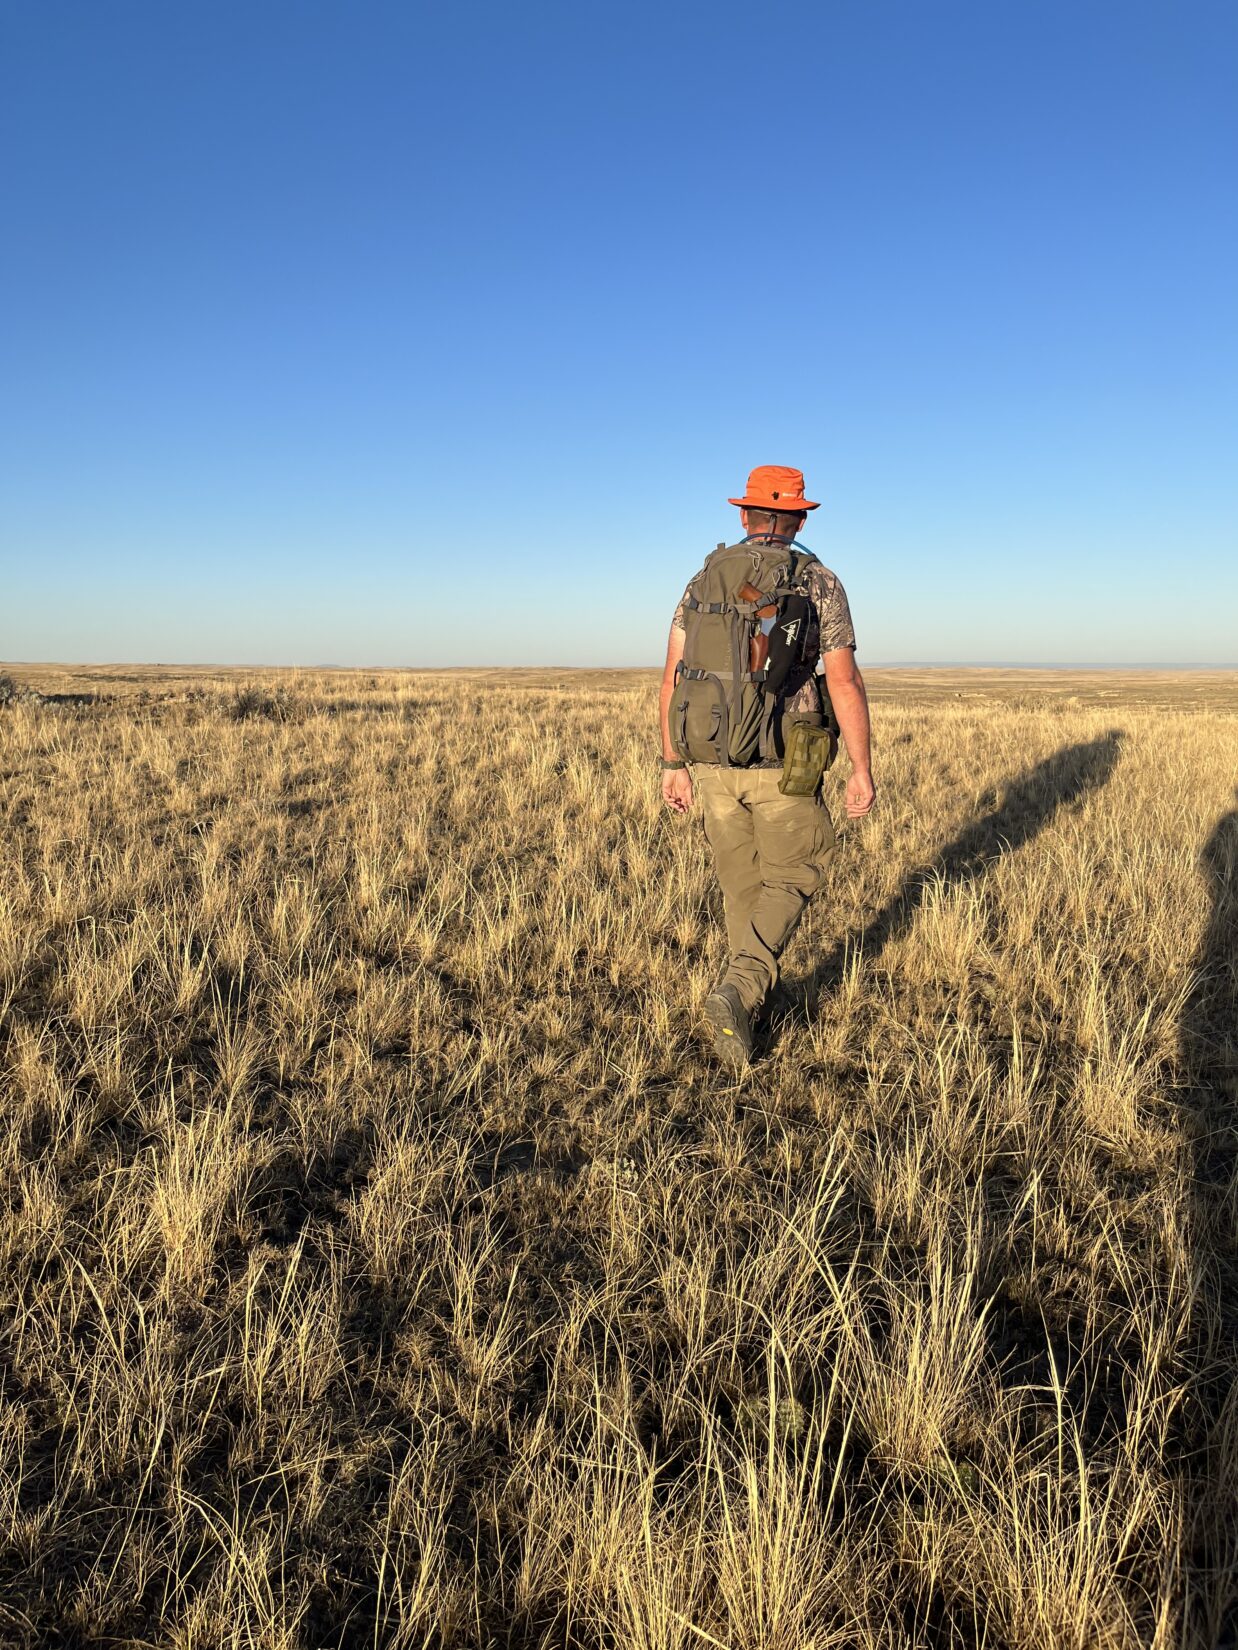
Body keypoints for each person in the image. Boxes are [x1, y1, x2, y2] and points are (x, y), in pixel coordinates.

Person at [658, 464, 875, 1065]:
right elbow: (845, 680)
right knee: (796, 873)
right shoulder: (818, 581)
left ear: (745, 514)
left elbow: (674, 677)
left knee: (742, 887)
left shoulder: (703, 579)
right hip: (787, 764)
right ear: (800, 516)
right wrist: (861, 765)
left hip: (710, 760)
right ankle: (738, 990)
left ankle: (750, 1010)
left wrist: (672, 761)